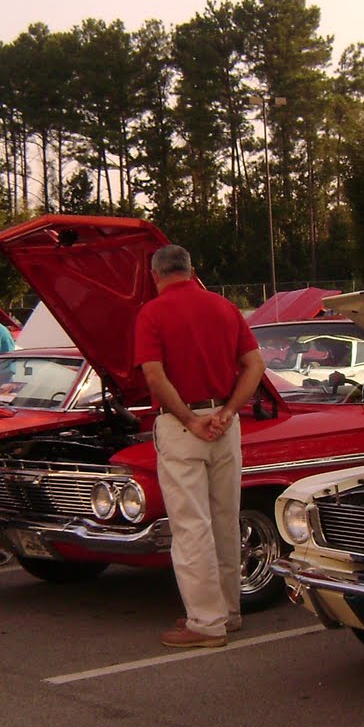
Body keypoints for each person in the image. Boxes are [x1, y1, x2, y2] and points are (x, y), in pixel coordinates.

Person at [134, 244, 265, 647]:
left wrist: (190, 420)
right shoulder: (225, 307)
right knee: (226, 519)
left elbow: (154, 376)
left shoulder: (152, 313)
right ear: (192, 270)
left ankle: (206, 623)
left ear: (155, 275)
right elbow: (255, 365)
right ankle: (228, 612)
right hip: (226, 423)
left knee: (191, 526)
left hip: (182, 425)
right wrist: (228, 411)